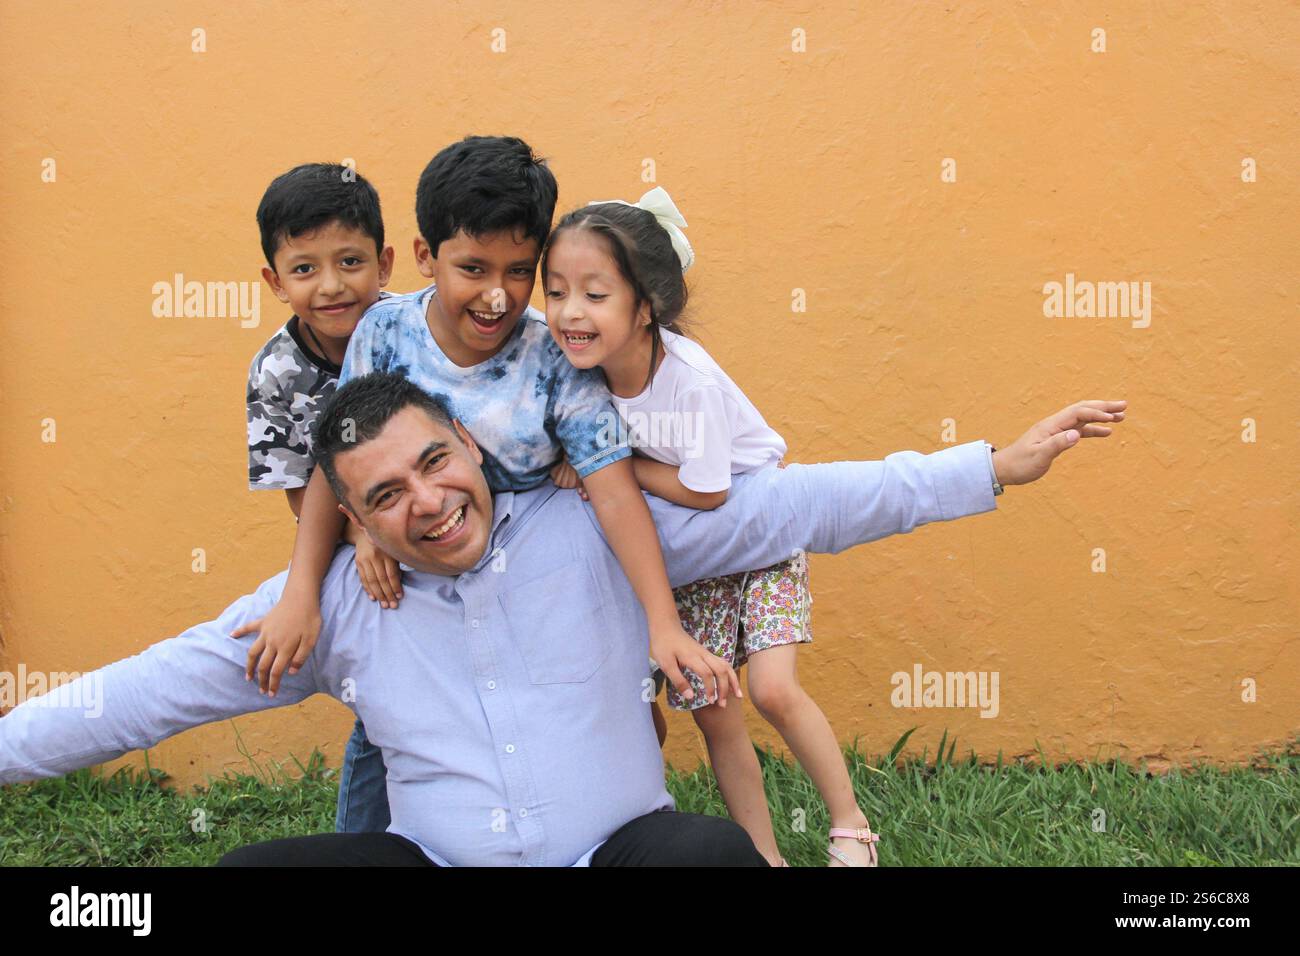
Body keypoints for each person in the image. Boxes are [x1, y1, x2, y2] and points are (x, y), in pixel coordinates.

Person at [0, 371, 1125, 865]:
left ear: (470, 445)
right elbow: (142, 691)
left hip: (616, 852)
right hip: (434, 863)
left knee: (713, 859)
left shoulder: (598, 527)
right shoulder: (337, 602)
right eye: (386, 494)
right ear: (350, 519)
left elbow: (801, 503)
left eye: (436, 461)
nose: (428, 502)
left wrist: (992, 465)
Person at [235, 137, 736, 767]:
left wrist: (662, 621)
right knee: (405, 738)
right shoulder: (385, 334)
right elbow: (340, 465)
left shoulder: (557, 355)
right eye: (473, 269)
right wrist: (305, 589)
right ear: (425, 256)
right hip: (425, 582)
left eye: (520, 272)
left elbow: (614, 490)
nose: (497, 295)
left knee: (615, 724)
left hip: (543, 583)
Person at [544, 185, 888, 866]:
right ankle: (761, 855)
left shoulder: (688, 379)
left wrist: (616, 466)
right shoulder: (577, 374)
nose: (569, 313)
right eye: (555, 292)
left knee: (773, 689)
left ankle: (851, 824)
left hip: (757, 540)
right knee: (715, 715)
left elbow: (707, 490)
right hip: (695, 564)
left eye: (594, 293)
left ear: (646, 308)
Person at [245, 162, 397, 834]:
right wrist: (357, 541)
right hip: (354, 547)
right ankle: (361, 844)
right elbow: (299, 492)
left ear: (385, 264)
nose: (332, 285)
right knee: (388, 701)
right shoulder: (276, 372)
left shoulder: (414, 332)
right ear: (274, 283)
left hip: (449, 536)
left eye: (350, 261)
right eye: (304, 269)